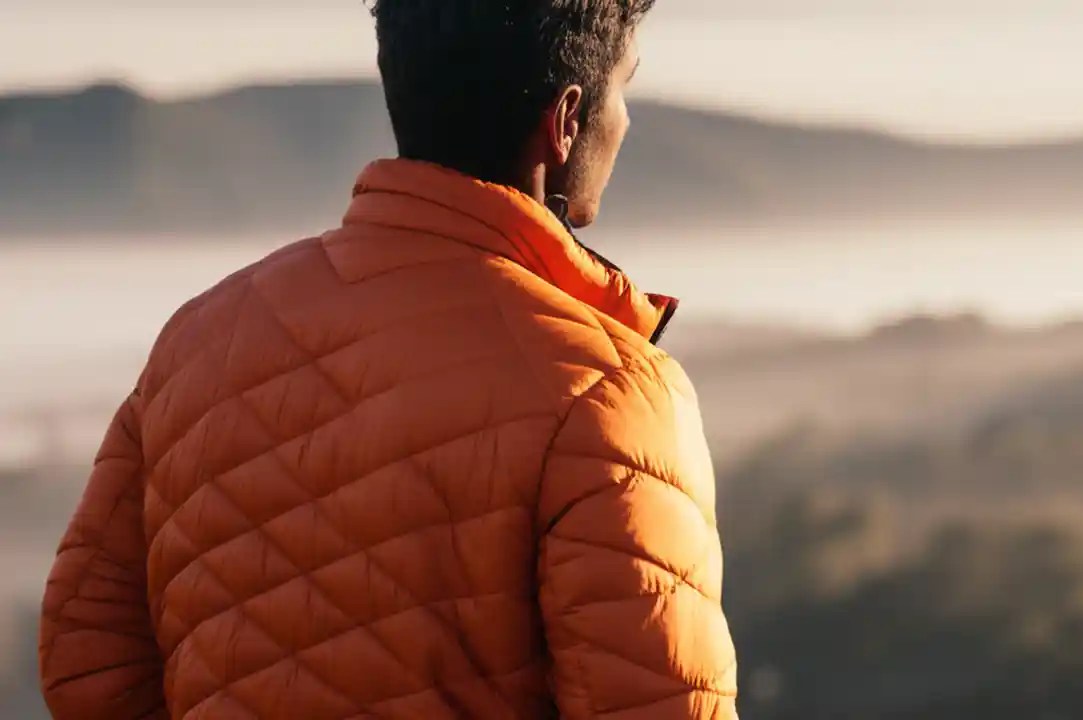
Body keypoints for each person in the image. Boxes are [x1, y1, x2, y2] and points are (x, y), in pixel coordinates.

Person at [37, 1, 738, 718]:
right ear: (565, 122)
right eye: (624, 89)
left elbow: (87, 650)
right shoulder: (610, 394)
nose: (626, 123)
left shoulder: (197, 340)